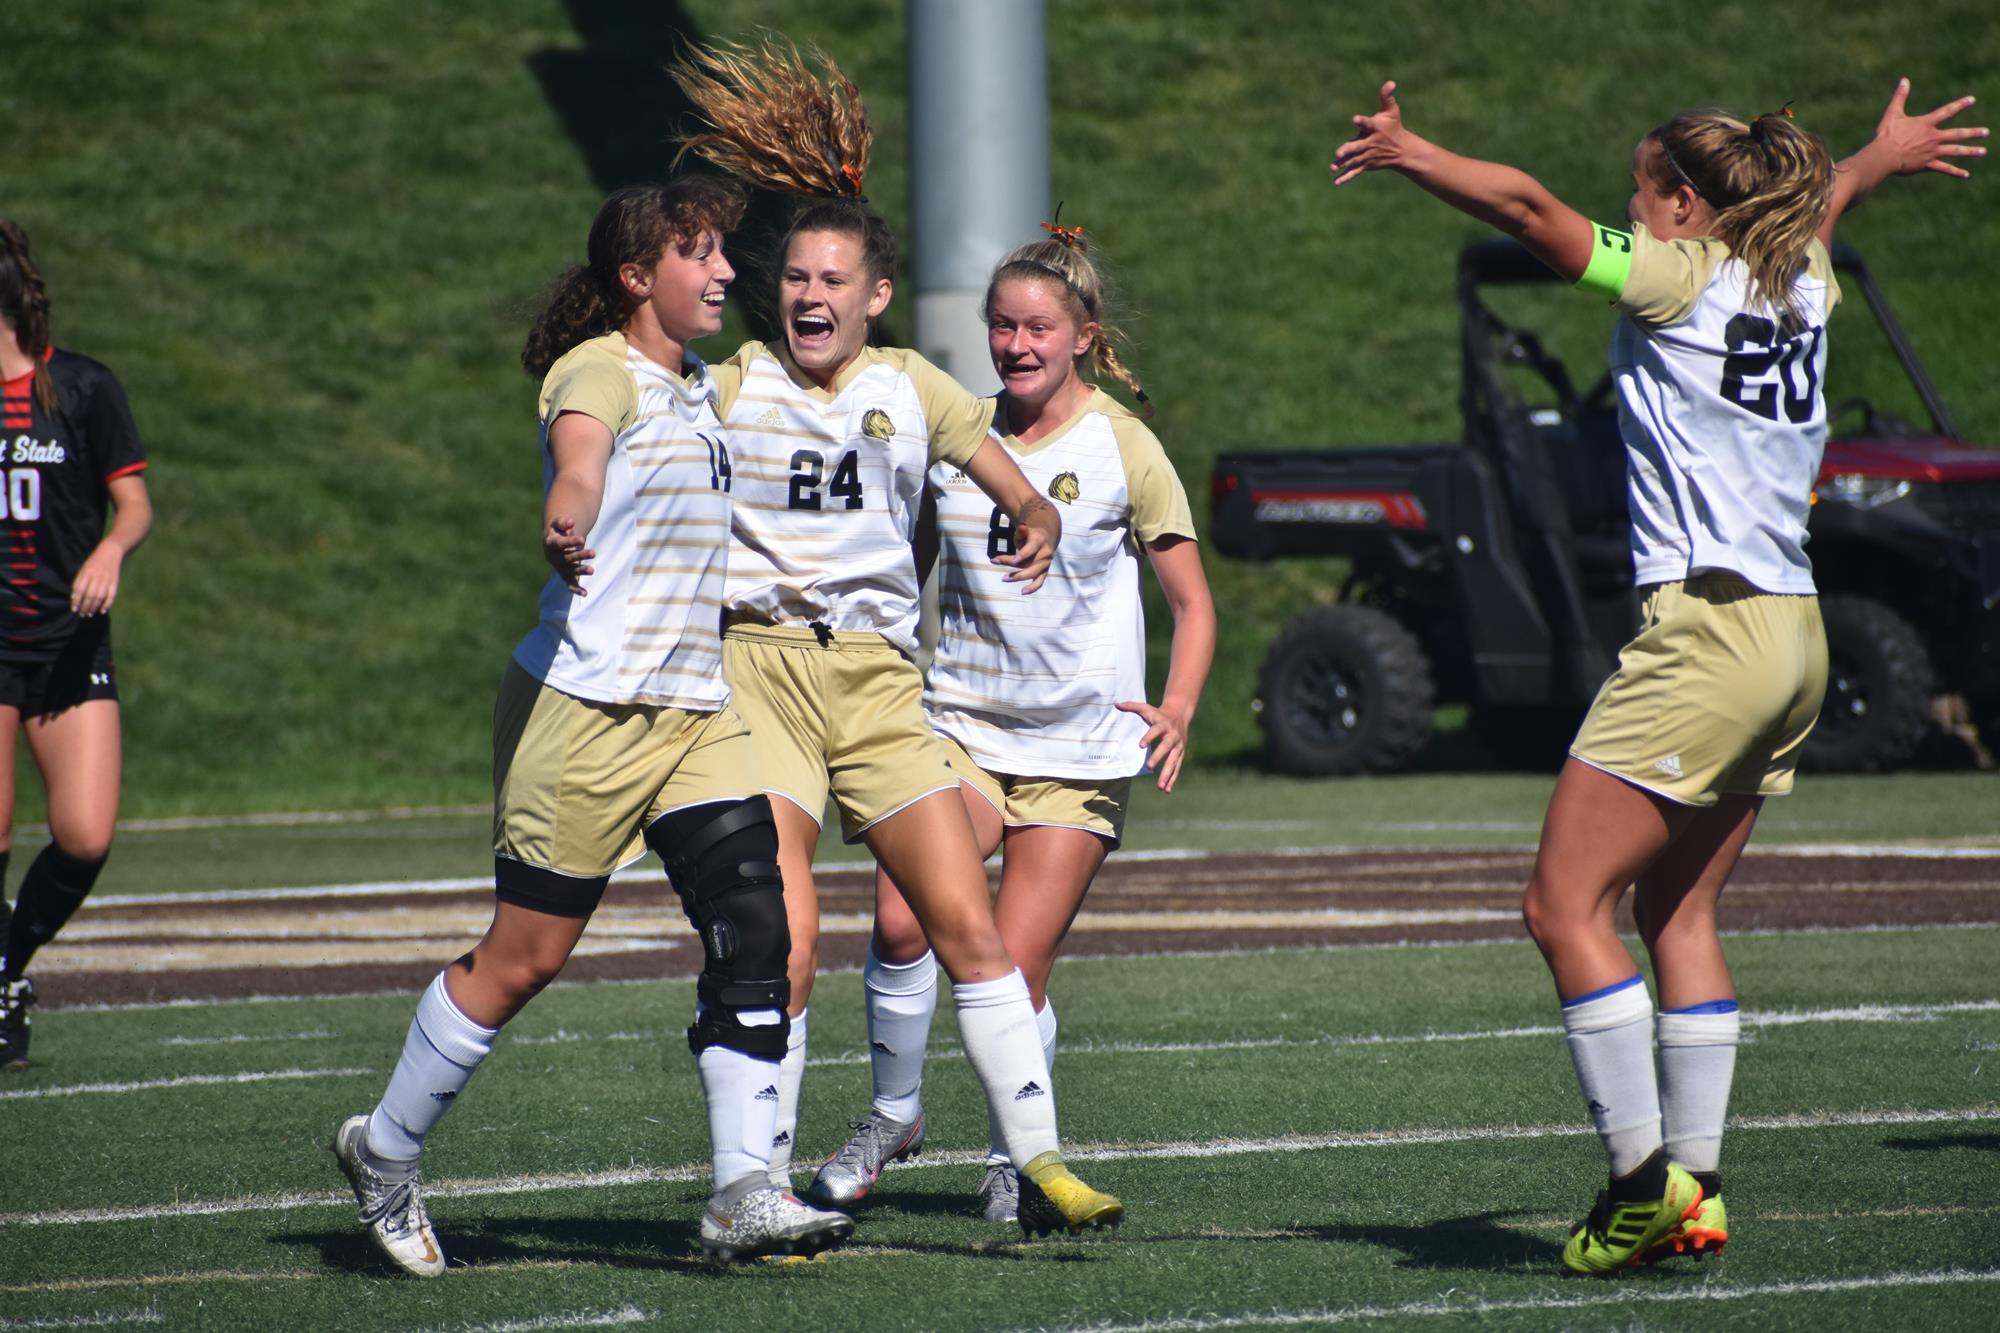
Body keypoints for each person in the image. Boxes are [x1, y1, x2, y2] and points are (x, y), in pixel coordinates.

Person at [1331, 78, 1985, 1274]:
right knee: (1676, 911)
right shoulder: (1801, 281)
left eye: (1639, 193)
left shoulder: (1677, 277)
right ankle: (1700, 1189)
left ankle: (1637, 1184)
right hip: (1794, 631)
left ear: (1683, 208)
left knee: (1558, 908)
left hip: (1705, 634)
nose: (1626, 211)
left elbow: (1527, 209)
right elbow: (1815, 206)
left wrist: (1411, 151)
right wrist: (1879, 158)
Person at [330, 178, 855, 1274]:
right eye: (698, 253)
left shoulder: (704, 383)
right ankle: (384, 1150)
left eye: (719, 250)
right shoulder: (594, 371)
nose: (722, 270)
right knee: (524, 959)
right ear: (635, 277)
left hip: (694, 712)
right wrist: (564, 515)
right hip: (587, 709)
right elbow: (580, 460)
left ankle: (740, 1191)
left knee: (758, 929)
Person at [665, 35, 1123, 1237]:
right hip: (758, 672)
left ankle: (1038, 1161)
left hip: (876, 681)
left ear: (874, 295)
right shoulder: (730, 388)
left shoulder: (915, 386)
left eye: (835, 281)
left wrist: (1028, 519)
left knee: (961, 923)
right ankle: (751, 1183)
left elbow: (1010, 480)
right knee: (785, 927)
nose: (810, 297)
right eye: (796, 279)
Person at [806, 225, 1215, 1222]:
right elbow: (892, 564)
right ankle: (893, 1114)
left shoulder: (1123, 442)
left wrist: (1177, 707)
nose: (1016, 345)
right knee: (904, 919)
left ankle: (1011, 1153)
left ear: (1082, 335)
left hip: (1076, 751)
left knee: (1012, 966)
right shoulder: (961, 439)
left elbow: (1192, 603)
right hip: (962, 730)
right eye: (1000, 325)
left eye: (1037, 327)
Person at [0, 220, 153, 1073]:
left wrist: (108, 548)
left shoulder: (82, 388)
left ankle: (8, 968)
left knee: (85, 835)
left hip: (67, 643)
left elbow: (133, 505)